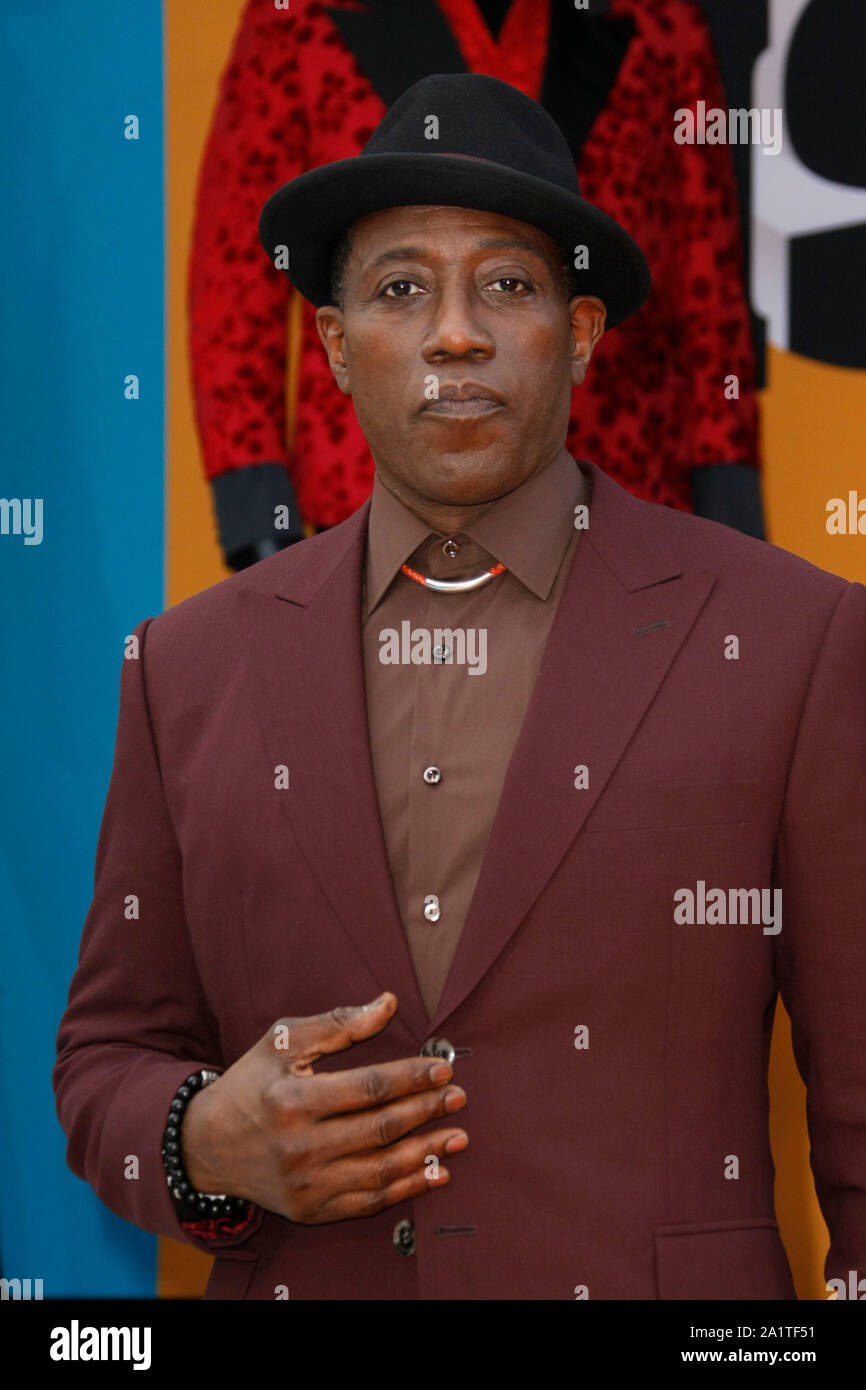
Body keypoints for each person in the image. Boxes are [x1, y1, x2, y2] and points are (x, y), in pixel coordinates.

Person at [55, 73, 866, 1301]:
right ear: (332, 346)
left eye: (505, 284)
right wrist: (196, 1139)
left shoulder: (792, 638)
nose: (453, 334)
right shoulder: (186, 669)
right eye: (398, 289)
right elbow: (107, 1053)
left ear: (581, 331)